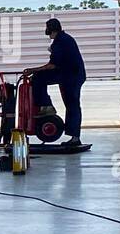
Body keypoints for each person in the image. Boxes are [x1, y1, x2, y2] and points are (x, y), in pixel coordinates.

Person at [24, 17, 86, 146]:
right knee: (39, 78)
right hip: (66, 74)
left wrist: (33, 69)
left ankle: (74, 137)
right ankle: (46, 105)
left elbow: (52, 65)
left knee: (72, 105)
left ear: (50, 29)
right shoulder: (63, 39)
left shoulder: (60, 42)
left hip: (71, 76)